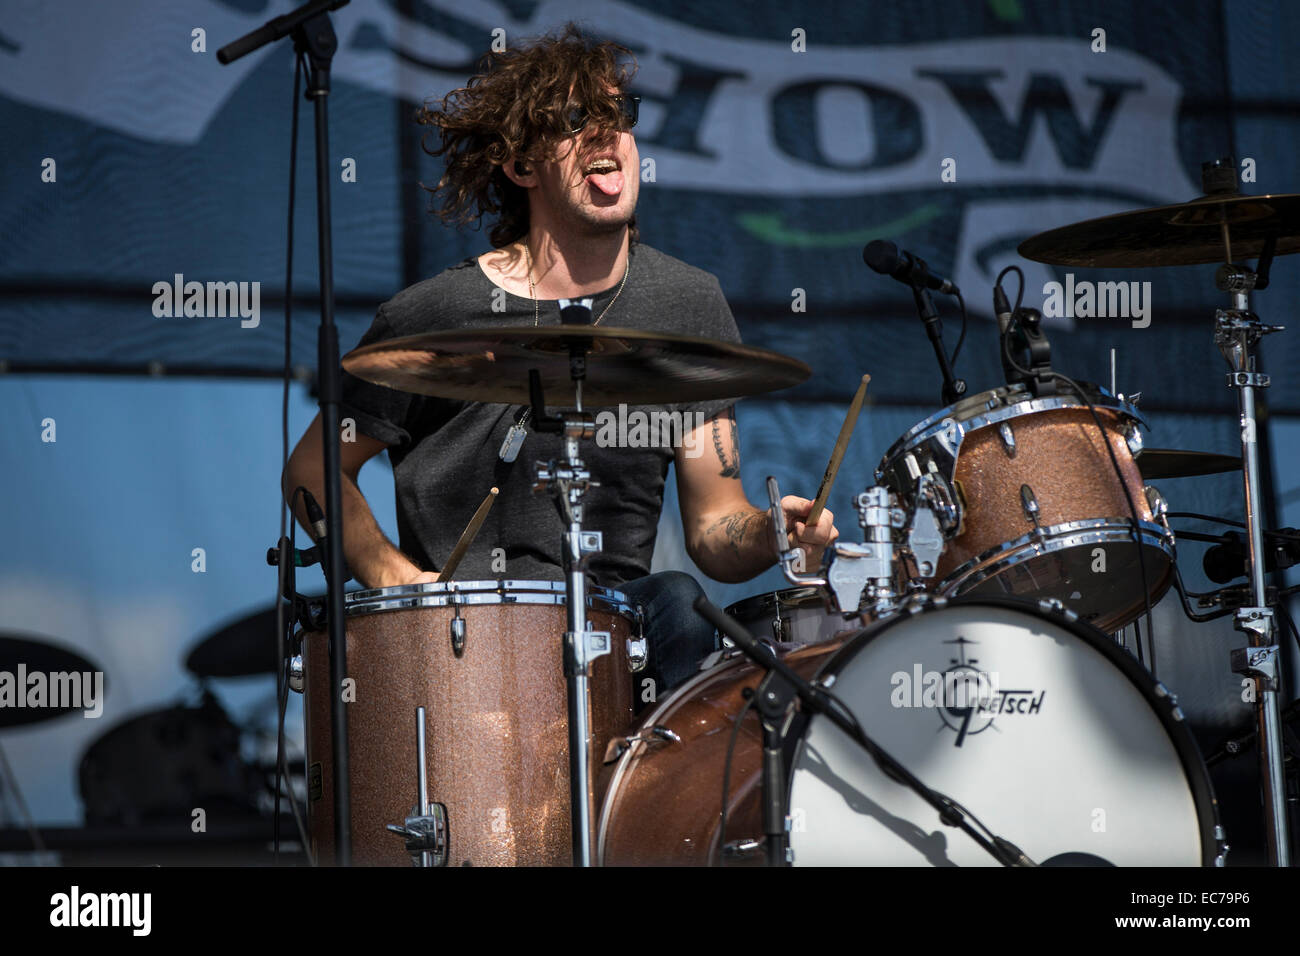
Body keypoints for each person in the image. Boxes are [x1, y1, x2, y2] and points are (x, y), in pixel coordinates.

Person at [285, 24, 838, 702]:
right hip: (469, 639)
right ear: (521, 166)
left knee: (681, 600)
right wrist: (395, 579)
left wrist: (777, 532)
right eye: (577, 120)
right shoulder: (437, 312)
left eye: (619, 117)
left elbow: (714, 528)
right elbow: (313, 469)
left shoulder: (686, 305)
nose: (607, 136)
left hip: (621, 636)